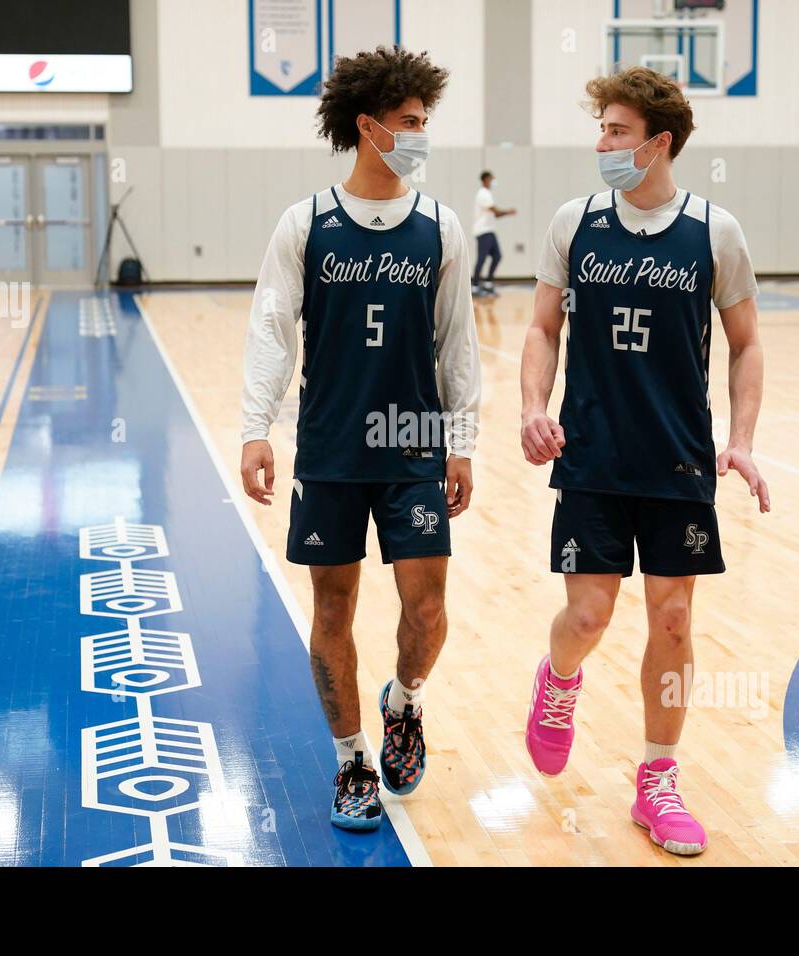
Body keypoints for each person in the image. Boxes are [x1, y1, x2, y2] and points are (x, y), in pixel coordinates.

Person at [519, 66, 769, 856]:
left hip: (679, 464)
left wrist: (743, 439)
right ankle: (558, 683)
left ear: (659, 143)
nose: (603, 144)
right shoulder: (575, 222)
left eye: (617, 131)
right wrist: (533, 406)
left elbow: (748, 343)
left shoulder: (714, 232)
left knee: (672, 618)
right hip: (590, 455)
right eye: (602, 130)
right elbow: (541, 329)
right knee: (589, 617)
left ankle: (657, 779)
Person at [240, 46, 481, 832]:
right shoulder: (304, 223)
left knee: (428, 604)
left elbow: (457, 344)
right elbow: (272, 333)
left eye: (425, 121)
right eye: (411, 122)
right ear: (370, 127)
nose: (421, 134)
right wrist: (255, 430)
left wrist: (463, 440)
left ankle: (404, 703)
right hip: (332, 444)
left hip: (413, 438)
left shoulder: (441, 226)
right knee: (334, 608)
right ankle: (350, 762)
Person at [471, 170, 516, 296]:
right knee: (482, 258)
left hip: (489, 230)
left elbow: (495, 215)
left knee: (497, 256)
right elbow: (495, 210)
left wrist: (506, 213)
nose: (493, 182)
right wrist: (508, 211)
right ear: (485, 180)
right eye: (492, 179)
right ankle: (474, 286)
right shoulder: (483, 194)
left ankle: (488, 283)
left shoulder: (487, 194)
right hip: (483, 231)